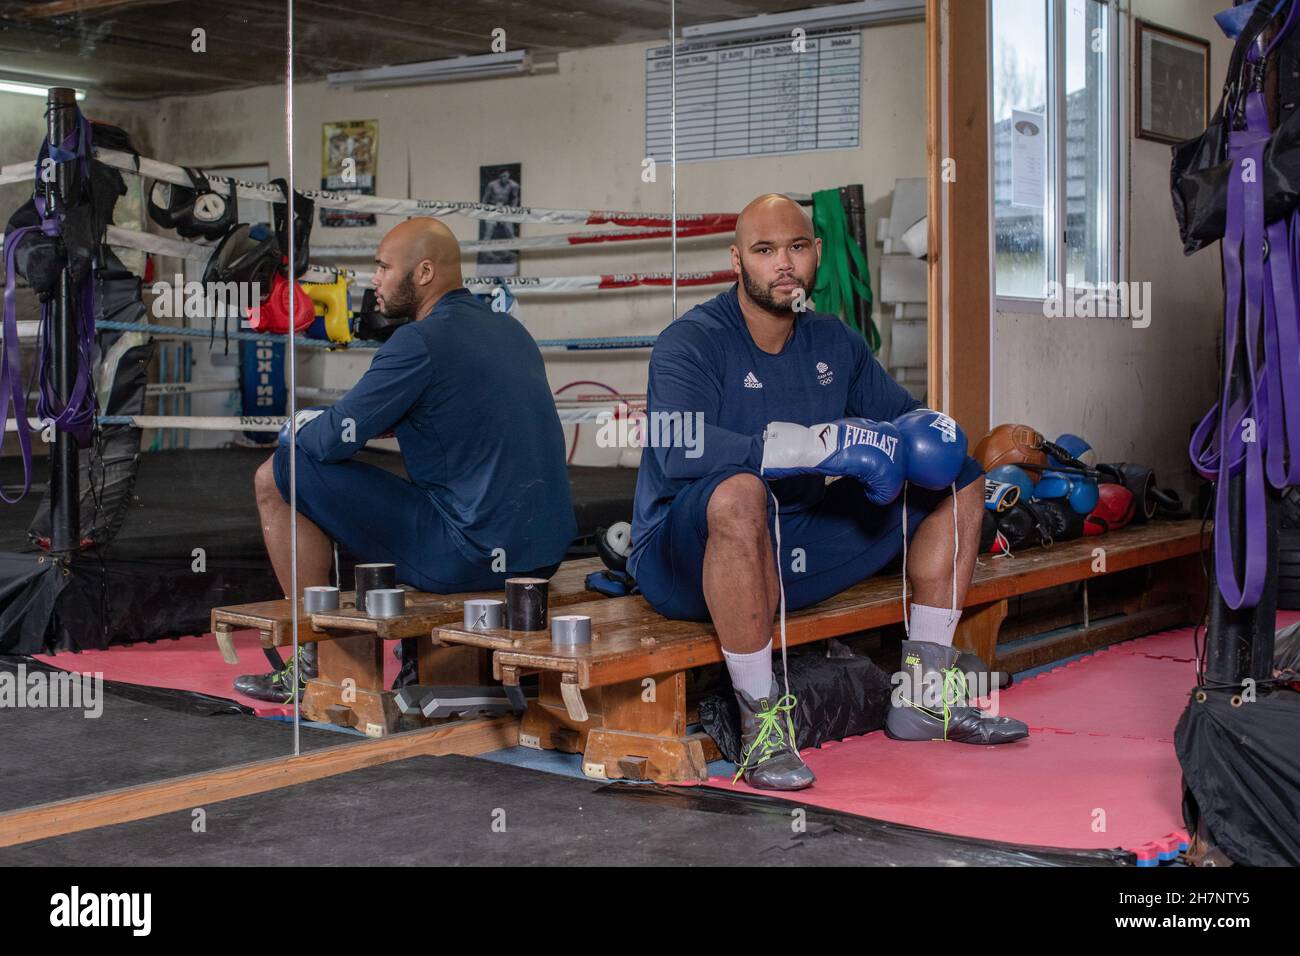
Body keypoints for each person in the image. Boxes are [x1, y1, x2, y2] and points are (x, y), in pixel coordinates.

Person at [629, 194, 1028, 791]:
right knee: (740, 492)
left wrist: (919, 436)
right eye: (765, 251)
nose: (783, 264)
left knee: (960, 475)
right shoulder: (691, 342)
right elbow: (679, 448)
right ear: (737, 261)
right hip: (684, 558)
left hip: (793, 545)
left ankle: (921, 694)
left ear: (816, 254)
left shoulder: (833, 342)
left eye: (795, 248)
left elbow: (905, 419)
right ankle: (762, 726)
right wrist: (810, 446)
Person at [238, 217, 576, 701]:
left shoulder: (417, 341)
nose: (373, 280)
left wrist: (301, 423)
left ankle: (308, 659)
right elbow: (469, 413)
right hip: (540, 555)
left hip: (471, 558)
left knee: (280, 471)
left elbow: (332, 440)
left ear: (422, 273)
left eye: (382, 267)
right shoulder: (511, 331)